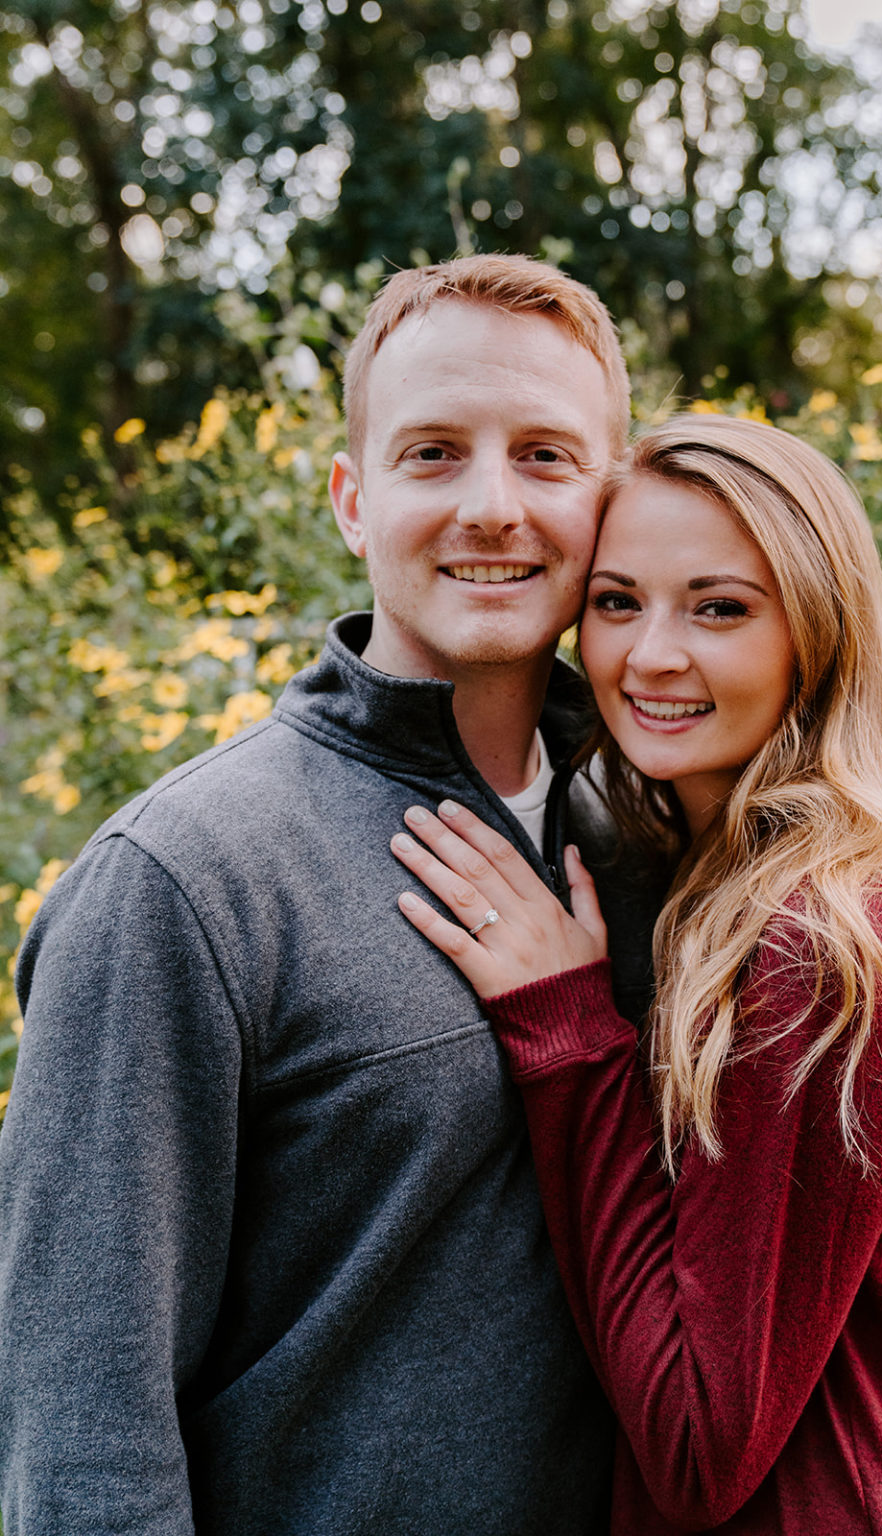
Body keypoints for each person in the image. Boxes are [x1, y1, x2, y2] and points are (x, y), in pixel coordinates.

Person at [0, 255, 663, 1535]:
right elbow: (83, 1446)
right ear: (353, 502)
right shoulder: (181, 882)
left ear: (608, 500)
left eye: (543, 455)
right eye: (430, 454)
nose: (490, 506)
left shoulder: (651, 836)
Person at [390, 413, 882, 1536]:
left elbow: (700, 1443)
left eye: (718, 608)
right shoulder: (765, 884)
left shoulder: (827, 940)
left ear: (817, 631)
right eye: (615, 603)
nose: (651, 655)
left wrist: (566, 1035)